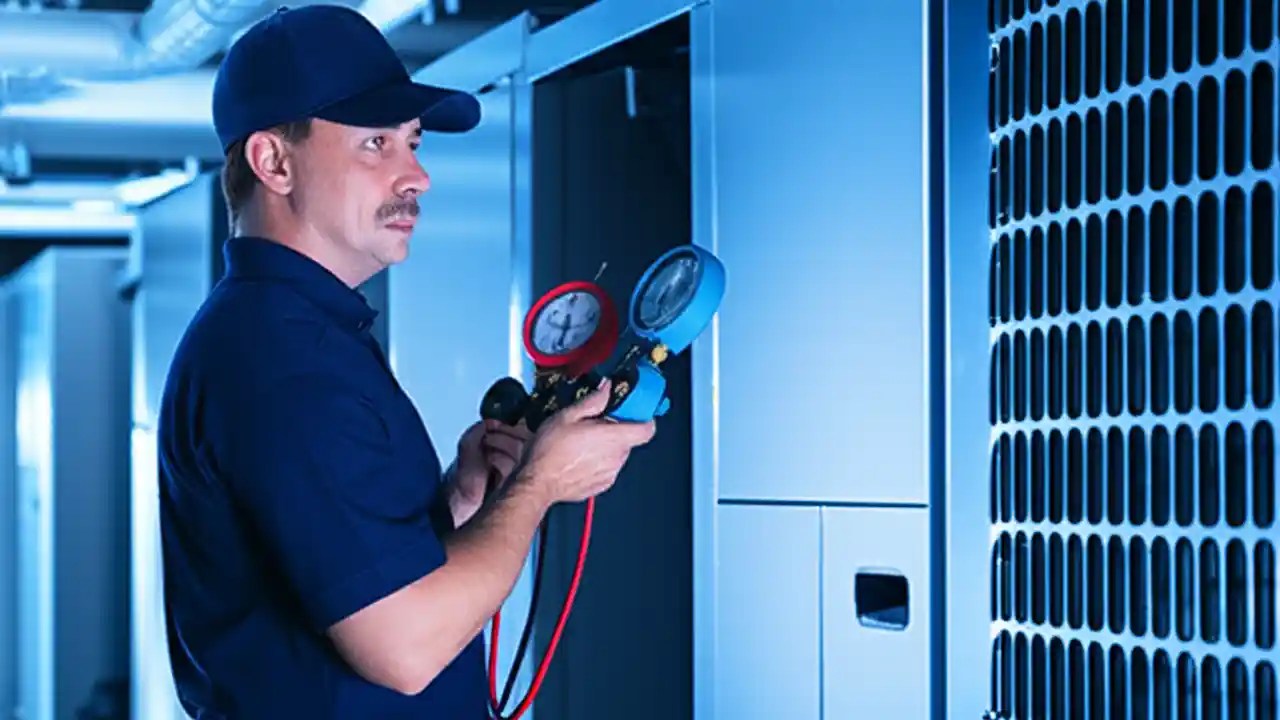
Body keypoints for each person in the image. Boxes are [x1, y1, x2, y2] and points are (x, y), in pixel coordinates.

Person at [156, 5, 656, 718]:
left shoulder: (294, 332)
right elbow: (405, 648)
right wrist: (541, 483)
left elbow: (334, 572)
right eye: (375, 144)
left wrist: (457, 505)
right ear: (274, 161)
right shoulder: (283, 357)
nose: (416, 174)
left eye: (414, 142)